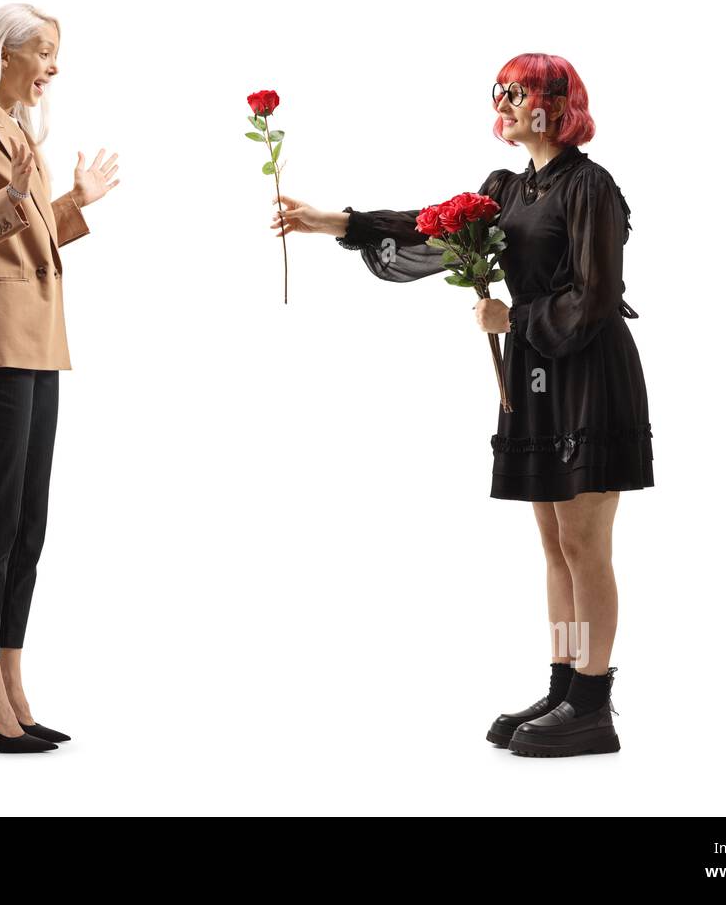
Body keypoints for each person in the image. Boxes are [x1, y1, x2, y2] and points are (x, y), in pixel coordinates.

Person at [269, 53, 652, 758]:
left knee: (585, 544)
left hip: (589, 377)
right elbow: (437, 224)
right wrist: (339, 222)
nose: (502, 102)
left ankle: (594, 706)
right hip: (538, 377)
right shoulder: (509, 188)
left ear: (553, 103)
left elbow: (597, 297)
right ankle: (565, 683)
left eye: (516, 91)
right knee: (555, 546)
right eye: (499, 92)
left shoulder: (590, 186)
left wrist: (518, 320)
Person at [0, 3, 119, 753]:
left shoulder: (22, 134)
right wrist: (10, 199)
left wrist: (74, 204)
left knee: (29, 517)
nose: (54, 67)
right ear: (3, 54)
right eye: (42, 51)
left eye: (55, 53)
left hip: (39, 335)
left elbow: (26, 240)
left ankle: (9, 674)